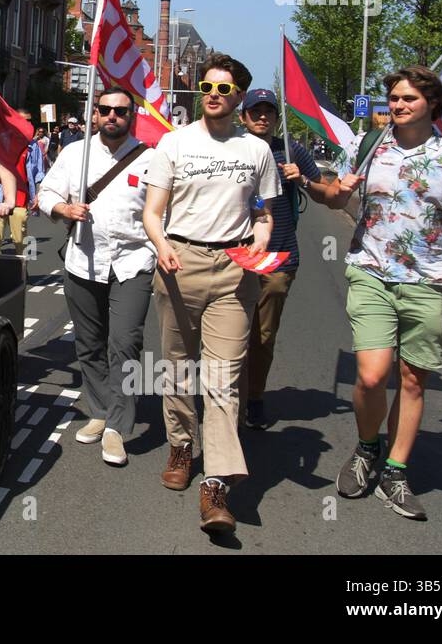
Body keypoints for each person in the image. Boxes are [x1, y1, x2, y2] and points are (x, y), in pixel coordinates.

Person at [324, 66, 442, 521]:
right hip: (371, 271)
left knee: (414, 380)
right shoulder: (368, 147)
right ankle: (366, 447)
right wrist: (337, 190)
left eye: (408, 99)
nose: (397, 106)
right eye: (394, 98)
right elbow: (335, 197)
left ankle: (395, 472)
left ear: (432, 104)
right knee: (373, 376)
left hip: (429, 281)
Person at [142, 53, 281, 535]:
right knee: (178, 365)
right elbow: (153, 211)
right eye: (207, 87)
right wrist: (161, 245)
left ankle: (216, 485)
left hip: (233, 269)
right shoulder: (174, 143)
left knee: (223, 378)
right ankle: (181, 445)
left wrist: (261, 238)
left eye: (223, 89)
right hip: (180, 261)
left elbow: (264, 212)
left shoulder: (257, 152)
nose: (213, 95)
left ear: (239, 96)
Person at [38, 89, 156, 466]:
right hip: (82, 262)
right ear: (95, 115)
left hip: (132, 264)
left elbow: (163, 213)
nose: (112, 116)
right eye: (104, 110)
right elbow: (46, 192)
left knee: (124, 343)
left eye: (120, 111)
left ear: (131, 115)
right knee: (89, 344)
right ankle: (101, 409)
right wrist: (62, 208)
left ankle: (118, 428)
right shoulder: (76, 153)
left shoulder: (152, 159)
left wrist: (158, 254)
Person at [235, 89, 341, 427]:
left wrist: (305, 180)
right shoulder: (229, 148)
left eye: (269, 111)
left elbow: (331, 196)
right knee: (228, 333)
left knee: (262, 336)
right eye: (255, 112)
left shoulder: (292, 151)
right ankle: (225, 398)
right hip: (234, 254)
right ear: (243, 117)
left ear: (277, 117)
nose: (263, 117)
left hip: (279, 255)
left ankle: (254, 398)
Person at [0, 146, 30, 254]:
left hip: (20, 197)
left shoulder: (31, 148)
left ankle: (22, 267)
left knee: (20, 239)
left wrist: (36, 196)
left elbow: (35, 173)